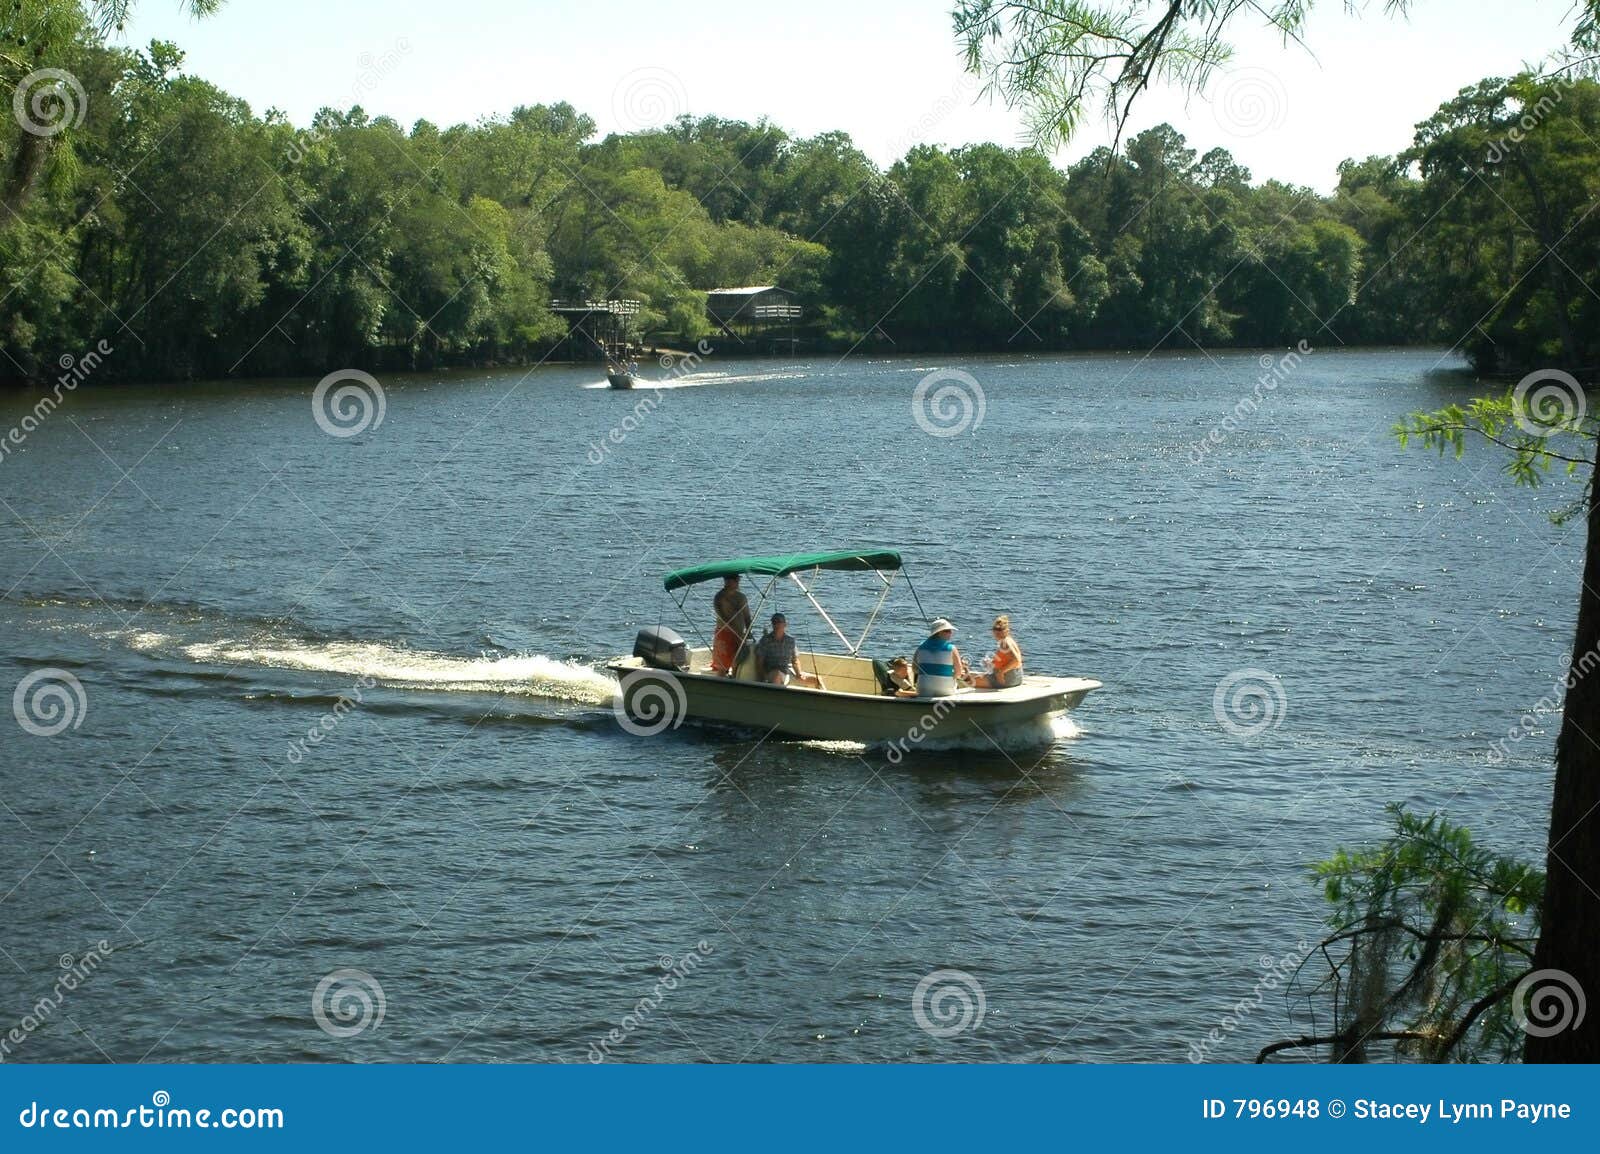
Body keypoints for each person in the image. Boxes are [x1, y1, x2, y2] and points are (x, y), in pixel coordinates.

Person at [754, 613, 825, 689]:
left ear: (785, 624)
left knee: (818, 679)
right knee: (777, 675)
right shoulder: (765, 640)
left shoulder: (790, 640)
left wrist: (798, 673)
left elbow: (795, 660)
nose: (777, 625)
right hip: (772, 672)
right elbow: (759, 662)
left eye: (779, 622)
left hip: (787, 671)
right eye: (774, 622)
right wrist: (763, 678)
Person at [913, 619, 968, 697]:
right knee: (962, 684)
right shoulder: (952, 648)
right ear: (939, 633)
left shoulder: (920, 648)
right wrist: (947, 673)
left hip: (923, 690)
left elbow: (914, 669)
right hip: (945, 691)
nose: (951, 633)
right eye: (947, 631)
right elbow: (958, 673)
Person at [969, 614, 1024, 689]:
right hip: (1017, 677)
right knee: (975, 677)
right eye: (996, 631)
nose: (998, 634)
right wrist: (991, 663)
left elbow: (1016, 660)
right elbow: (1008, 659)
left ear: (1007, 631)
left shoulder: (1005, 643)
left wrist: (1001, 672)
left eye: (1000, 631)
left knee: (970, 682)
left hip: (1007, 679)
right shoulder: (1009, 640)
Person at [710, 574, 751, 676]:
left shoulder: (741, 597)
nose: (737, 583)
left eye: (738, 581)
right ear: (727, 581)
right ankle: (721, 681)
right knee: (722, 665)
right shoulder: (719, 597)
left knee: (738, 661)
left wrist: (749, 631)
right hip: (724, 633)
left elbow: (747, 616)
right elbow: (722, 618)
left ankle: (734, 678)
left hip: (739, 633)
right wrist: (735, 631)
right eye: (735, 581)